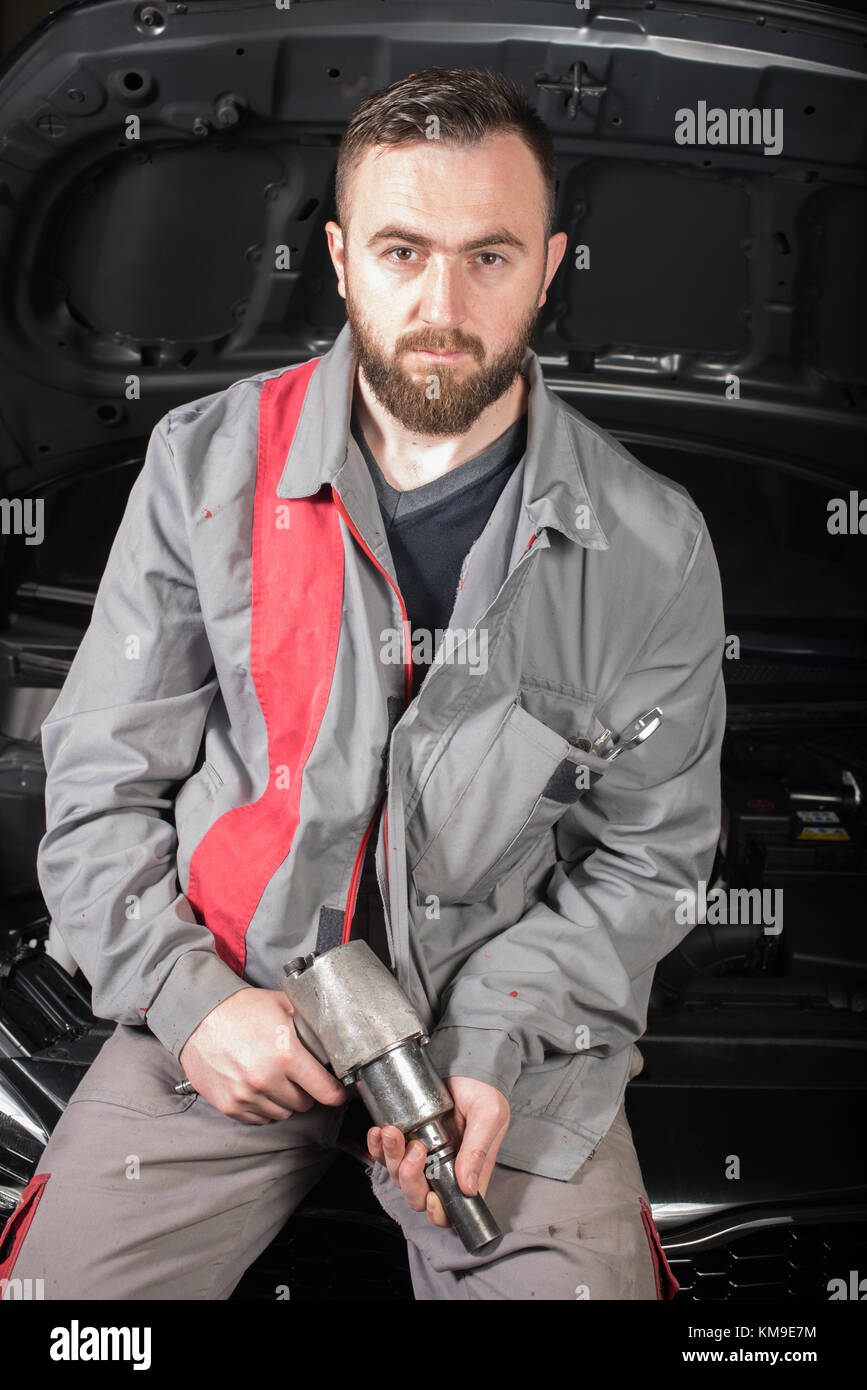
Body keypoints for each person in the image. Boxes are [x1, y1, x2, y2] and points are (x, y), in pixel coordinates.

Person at [0, 66, 724, 1301]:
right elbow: (98, 784)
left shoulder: (651, 545)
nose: (442, 304)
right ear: (340, 258)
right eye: (402, 250)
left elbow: (650, 859)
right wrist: (191, 1000)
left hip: (511, 1051)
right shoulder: (203, 469)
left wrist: (495, 1039)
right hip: (227, 1005)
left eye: (489, 256)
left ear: (549, 268)